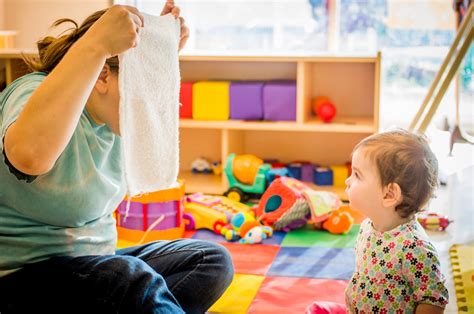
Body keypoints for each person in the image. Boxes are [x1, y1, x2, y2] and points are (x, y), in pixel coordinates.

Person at [0, 2, 233, 313]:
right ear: (102, 76)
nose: (152, 99)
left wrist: (161, 48)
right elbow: (27, 156)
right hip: (20, 280)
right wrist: (96, 45)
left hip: (95, 271)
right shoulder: (34, 92)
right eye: (143, 84)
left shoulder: (114, 120)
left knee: (210, 261)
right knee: (130, 279)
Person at [307, 129, 449, 314]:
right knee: (317, 310)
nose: (348, 181)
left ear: (389, 194)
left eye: (357, 175)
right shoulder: (368, 225)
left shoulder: (415, 249)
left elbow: (433, 300)